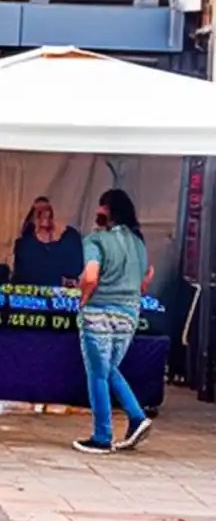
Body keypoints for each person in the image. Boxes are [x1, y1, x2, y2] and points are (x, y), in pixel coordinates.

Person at [74, 189, 154, 454]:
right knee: (108, 369)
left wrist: (83, 297)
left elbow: (91, 276)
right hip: (129, 314)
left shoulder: (96, 240)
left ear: (106, 209)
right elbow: (145, 281)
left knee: (97, 373)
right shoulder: (139, 243)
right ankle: (135, 418)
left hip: (99, 312)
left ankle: (102, 435)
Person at [13, 196, 83, 286]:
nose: (45, 215)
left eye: (48, 211)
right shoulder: (25, 244)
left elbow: (74, 271)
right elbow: (21, 276)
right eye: (39, 214)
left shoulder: (70, 238)